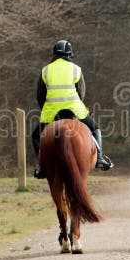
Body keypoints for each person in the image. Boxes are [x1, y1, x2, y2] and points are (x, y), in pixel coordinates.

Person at [31, 40, 113, 179]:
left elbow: (40, 96)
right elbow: (81, 92)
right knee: (96, 129)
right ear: (70, 54)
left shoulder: (46, 70)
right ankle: (99, 159)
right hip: (75, 109)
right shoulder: (76, 69)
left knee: (35, 136)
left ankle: (42, 166)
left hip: (51, 112)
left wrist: (45, 109)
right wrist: (79, 104)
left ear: (54, 54)